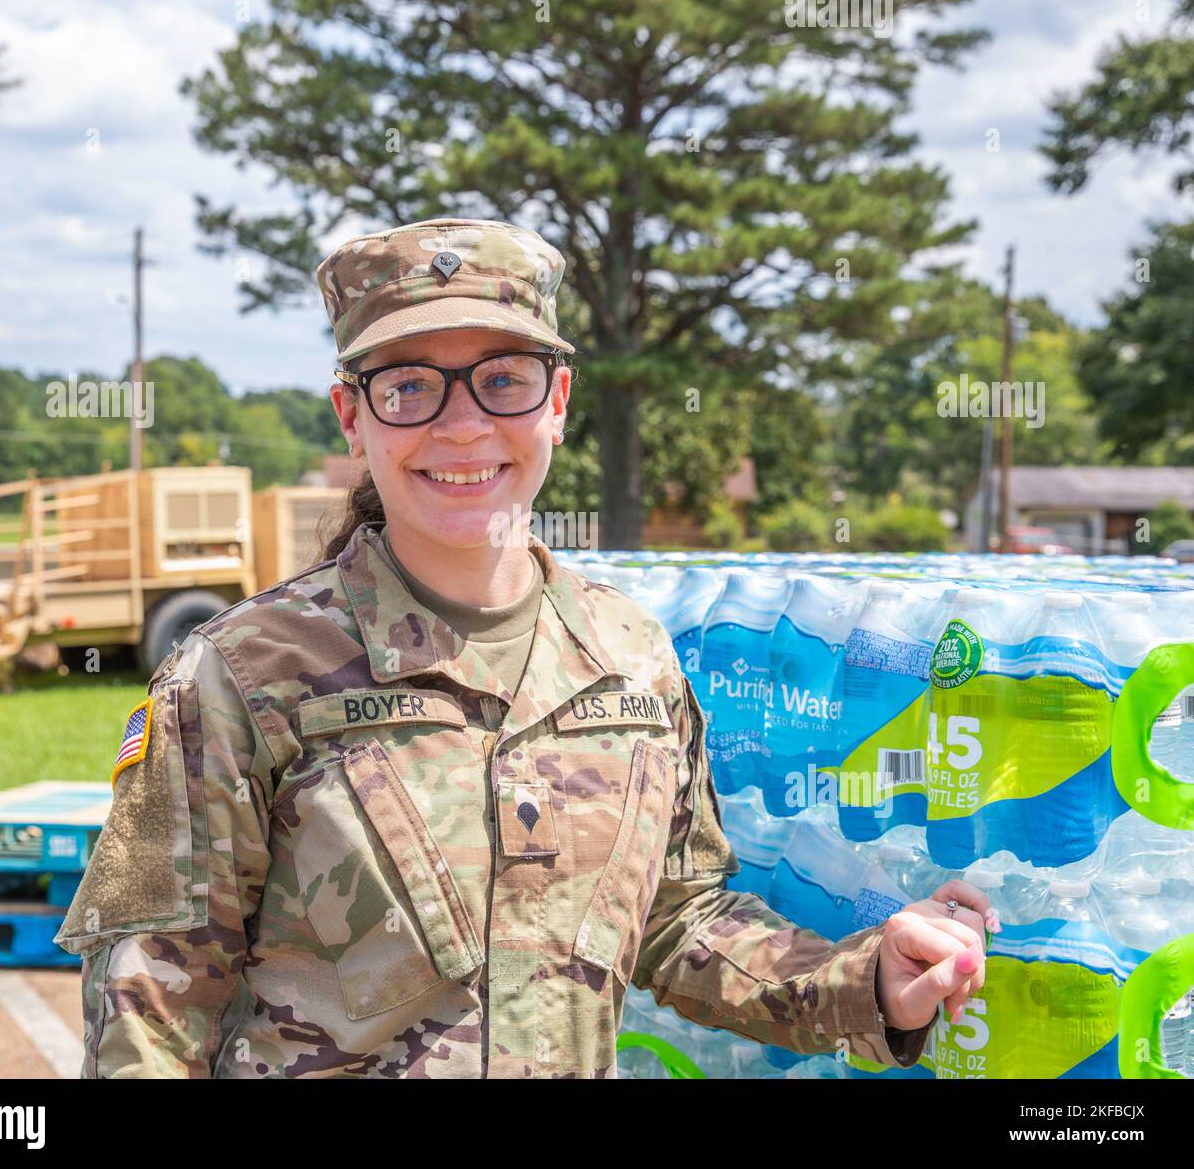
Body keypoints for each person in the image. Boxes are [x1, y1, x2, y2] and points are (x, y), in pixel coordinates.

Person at [55, 216, 992, 1078]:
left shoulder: (632, 659)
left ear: (559, 400)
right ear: (353, 416)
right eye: (410, 387)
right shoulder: (240, 678)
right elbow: (149, 1012)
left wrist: (867, 983)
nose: (463, 426)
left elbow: (678, 921)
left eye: (503, 378)